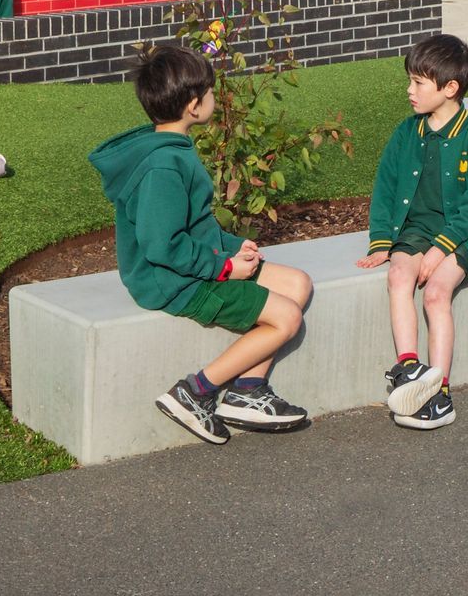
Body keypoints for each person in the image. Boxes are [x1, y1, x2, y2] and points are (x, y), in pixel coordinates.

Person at [92, 45, 316, 447]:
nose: (215, 97)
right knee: (287, 318)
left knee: (297, 283)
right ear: (194, 105)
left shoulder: (171, 147)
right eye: (211, 92)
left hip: (190, 266)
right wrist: (225, 267)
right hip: (172, 282)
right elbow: (163, 246)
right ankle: (194, 392)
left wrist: (232, 245)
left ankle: (247, 391)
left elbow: (192, 223)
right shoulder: (162, 166)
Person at [355, 32, 468, 432]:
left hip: (467, 233)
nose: (410, 90)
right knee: (398, 275)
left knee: (436, 293)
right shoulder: (407, 133)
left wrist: (440, 250)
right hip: (417, 227)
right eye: (410, 81)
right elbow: (385, 189)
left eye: (419, 83)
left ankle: (440, 395)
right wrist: (382, 242)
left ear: (450, 88)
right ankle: (409, 371)